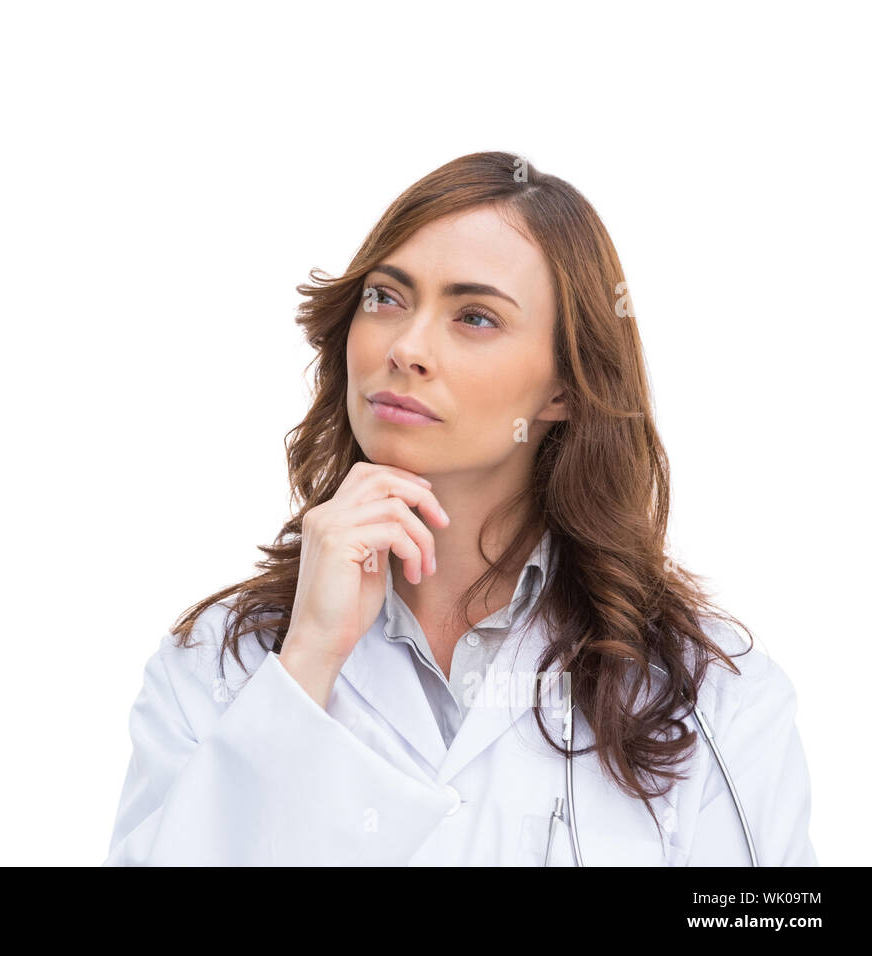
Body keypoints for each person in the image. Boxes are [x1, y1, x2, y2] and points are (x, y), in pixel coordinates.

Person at [102, 151, 818, 866]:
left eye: (475, 317)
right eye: (386, 298)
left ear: (563, 389)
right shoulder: (218, 664)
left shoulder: (713, 695)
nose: (407, 348)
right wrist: (307, 663)